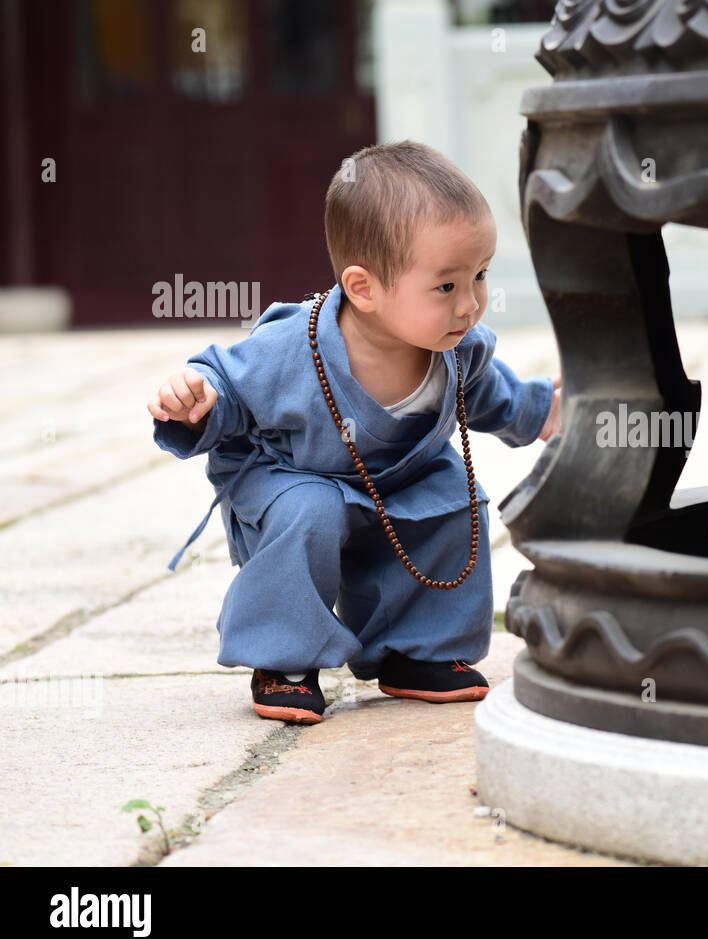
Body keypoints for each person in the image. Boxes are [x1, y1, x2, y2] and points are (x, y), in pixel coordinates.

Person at [146, 140, 562, 724]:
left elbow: (491, 393)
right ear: (363, 288)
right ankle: (285, 658)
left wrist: (541, 411)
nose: (470, 305)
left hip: (396, 479)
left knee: (453, 493)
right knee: (311, 509)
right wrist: (196, 402)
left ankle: (418, 651)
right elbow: (227, 381)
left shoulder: (455, 350)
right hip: (292, 474)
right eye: (446, 286)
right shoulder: (296, 346)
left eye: (480, 276)